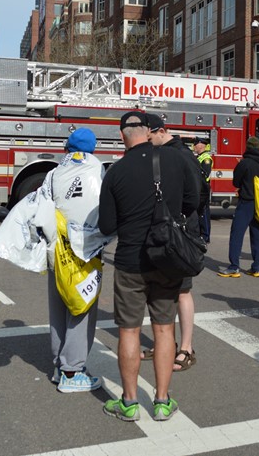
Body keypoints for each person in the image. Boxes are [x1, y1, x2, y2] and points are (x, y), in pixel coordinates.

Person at [97, 110, 199, 422]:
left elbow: (106, 225)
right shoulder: (176, 160)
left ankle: (128, 403)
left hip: (130, 261)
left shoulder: (115, 172)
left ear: (122, 137)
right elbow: (193, 201)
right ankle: (162, 400)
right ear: (149, 131)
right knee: (164, 329)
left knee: (128, 331)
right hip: (166, 258)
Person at [33, 128, 109, 393]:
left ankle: (58, 364)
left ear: (67, 147)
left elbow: (40, 207)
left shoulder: (54, 173)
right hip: (86, 251)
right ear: (93, 148)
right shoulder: (98, 169)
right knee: (81, 306)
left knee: (59, 307)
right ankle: (72, 371)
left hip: (57, 248)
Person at [145, 114, 202, 372]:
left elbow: (196, 194)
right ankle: (165, 343)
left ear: (161, 131)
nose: (148, 142)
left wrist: (177, 216)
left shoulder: (181, 154)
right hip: (165, 228)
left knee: (181, 290)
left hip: (180, 229)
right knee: (162, 289)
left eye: (150, 137)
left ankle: (186, 348)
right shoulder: (162, 152)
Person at [218, 136, 259, 278]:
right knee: (258, 234)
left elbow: (236, 182)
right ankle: (256, 267)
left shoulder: (245, 163)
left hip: (246, 201)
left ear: (248, 147)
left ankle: (234, 267)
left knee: (237, 234)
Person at [192, 136, 213, 245]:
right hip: (199, 188)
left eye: (195, 144)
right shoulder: (199, 157)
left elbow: (204, 174)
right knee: (200, 212)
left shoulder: (206, 158)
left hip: (203, 188)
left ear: (201, 145)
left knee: (203, 213)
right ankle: (202, 234)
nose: (194, 146)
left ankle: (205, 236)